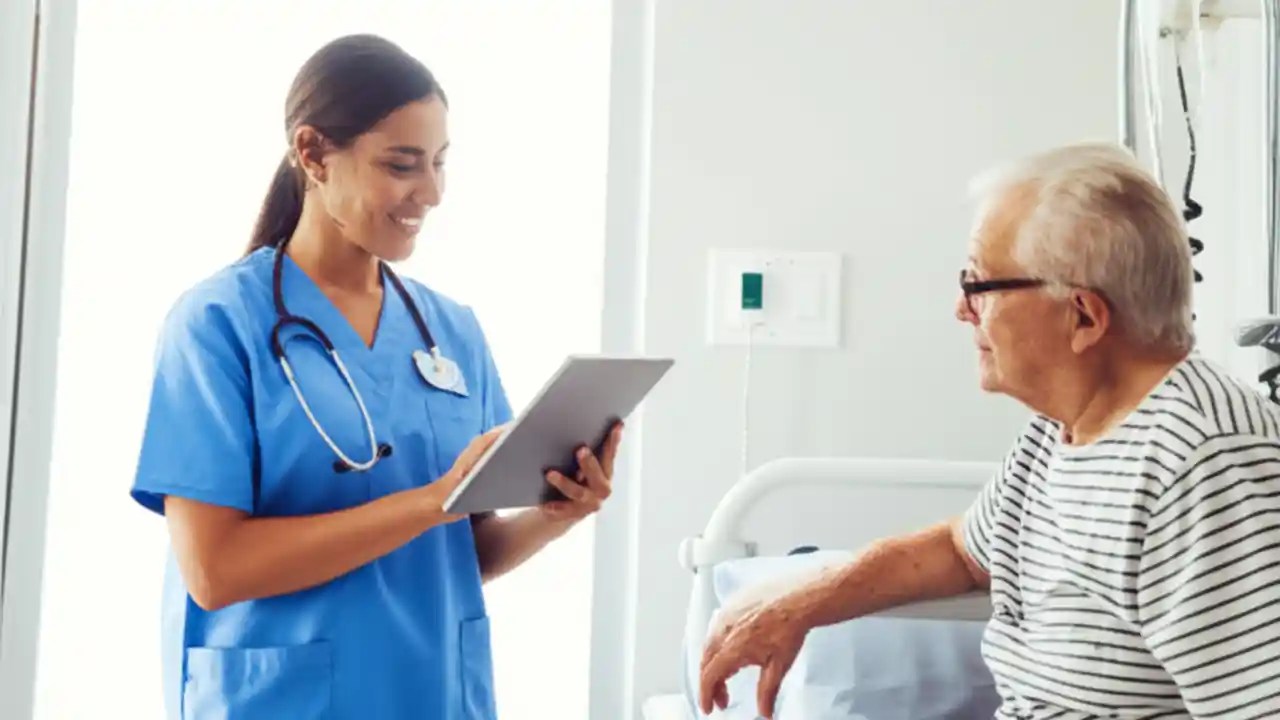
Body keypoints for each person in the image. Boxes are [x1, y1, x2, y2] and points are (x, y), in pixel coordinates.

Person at [698, 142, 1280, 719]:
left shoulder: (1205, 466)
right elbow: (965, 550)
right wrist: (802, 598)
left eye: (979, 285)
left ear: (1082, 316)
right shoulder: (1060, 430)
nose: (961, 309)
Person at [130, 34, 619, 720]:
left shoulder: (452, 333)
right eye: (401, 165)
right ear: (312, 153)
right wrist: (431, 500)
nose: (431, 193)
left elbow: (459, 552)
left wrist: (554, 515)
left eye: (441, 165)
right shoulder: (217, 325)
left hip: (434, 695)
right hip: (284, 702)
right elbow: (214, 571)